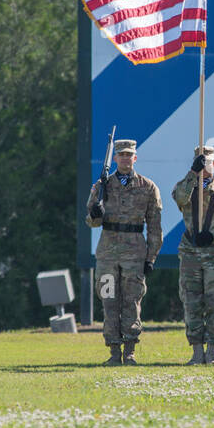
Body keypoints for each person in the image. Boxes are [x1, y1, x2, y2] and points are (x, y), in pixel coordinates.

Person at [85, 139, 162, 364]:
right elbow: (90, 222)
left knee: (131, 302)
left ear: (135, 158)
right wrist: (96, 213)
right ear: (115, 158)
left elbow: (155, 227)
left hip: (134, 254)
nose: (126, 158)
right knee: (109, 302)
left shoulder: (148, 187)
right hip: (108, 254)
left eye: (130, 155)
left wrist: (151, 257)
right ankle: (113, 352)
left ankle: (129, 351)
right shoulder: (102, 187)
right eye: (122, 155)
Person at [171, 145, 214, 365]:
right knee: (191, 302)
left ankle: (212, 350)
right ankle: (196, 350)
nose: (205, 166)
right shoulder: (188, 188)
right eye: (202, 162)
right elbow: (179, 198)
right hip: (191, 254)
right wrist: (193, 173)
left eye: (209, 162)